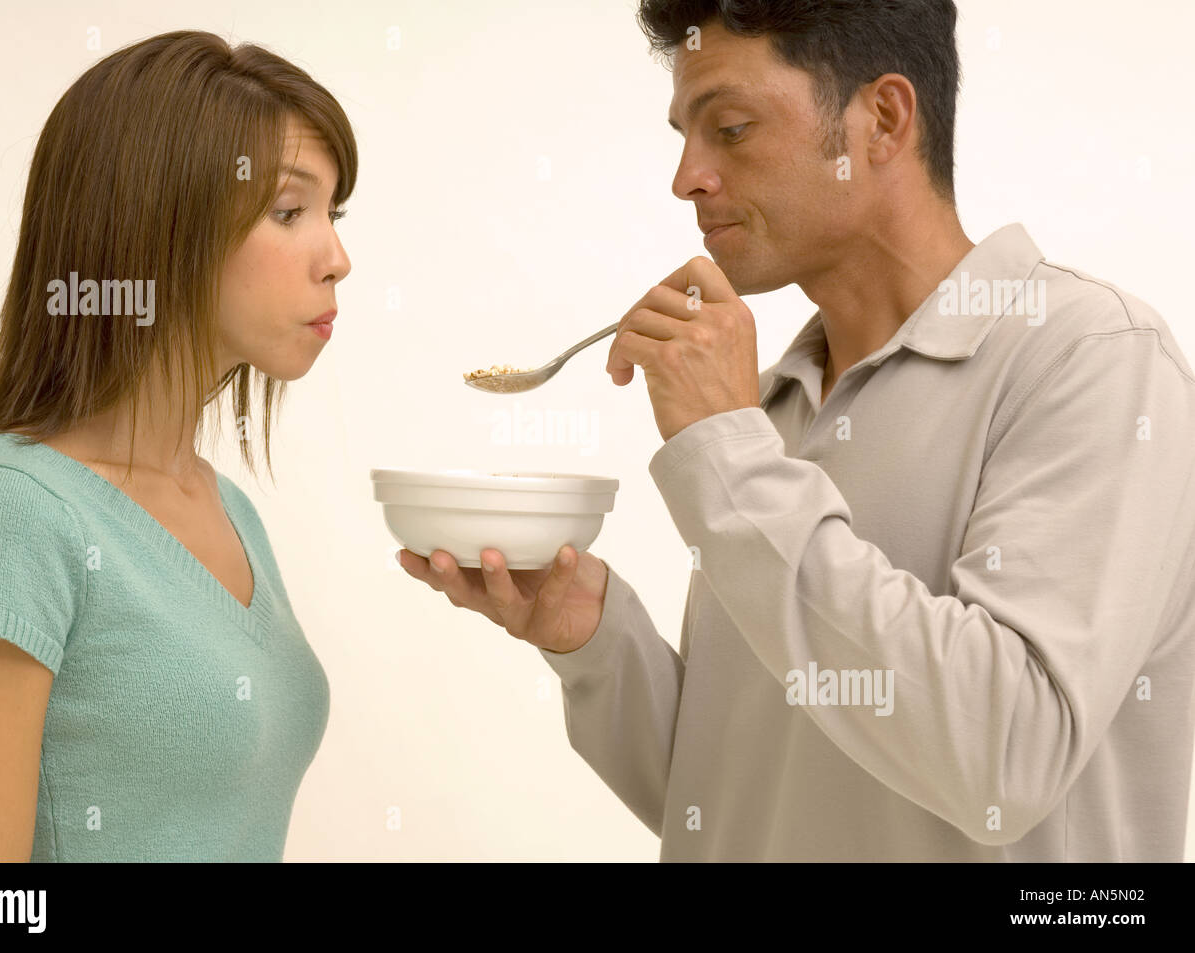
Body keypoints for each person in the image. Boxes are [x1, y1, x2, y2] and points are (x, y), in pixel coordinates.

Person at [399, 0, 1195, 860]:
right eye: (684, 135)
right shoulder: (775, 402)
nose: (687, 178)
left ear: (881, 120)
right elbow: (734, 799)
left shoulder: (1095, 360)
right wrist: (595, 640)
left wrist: (733, 460)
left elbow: (1005, 759)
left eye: (730, 129)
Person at [0, 30, 354, 860]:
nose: (338, 258)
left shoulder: (230, 511)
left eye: (333, 212)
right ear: (158, 225)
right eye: (290, 212)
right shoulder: (4, 515)